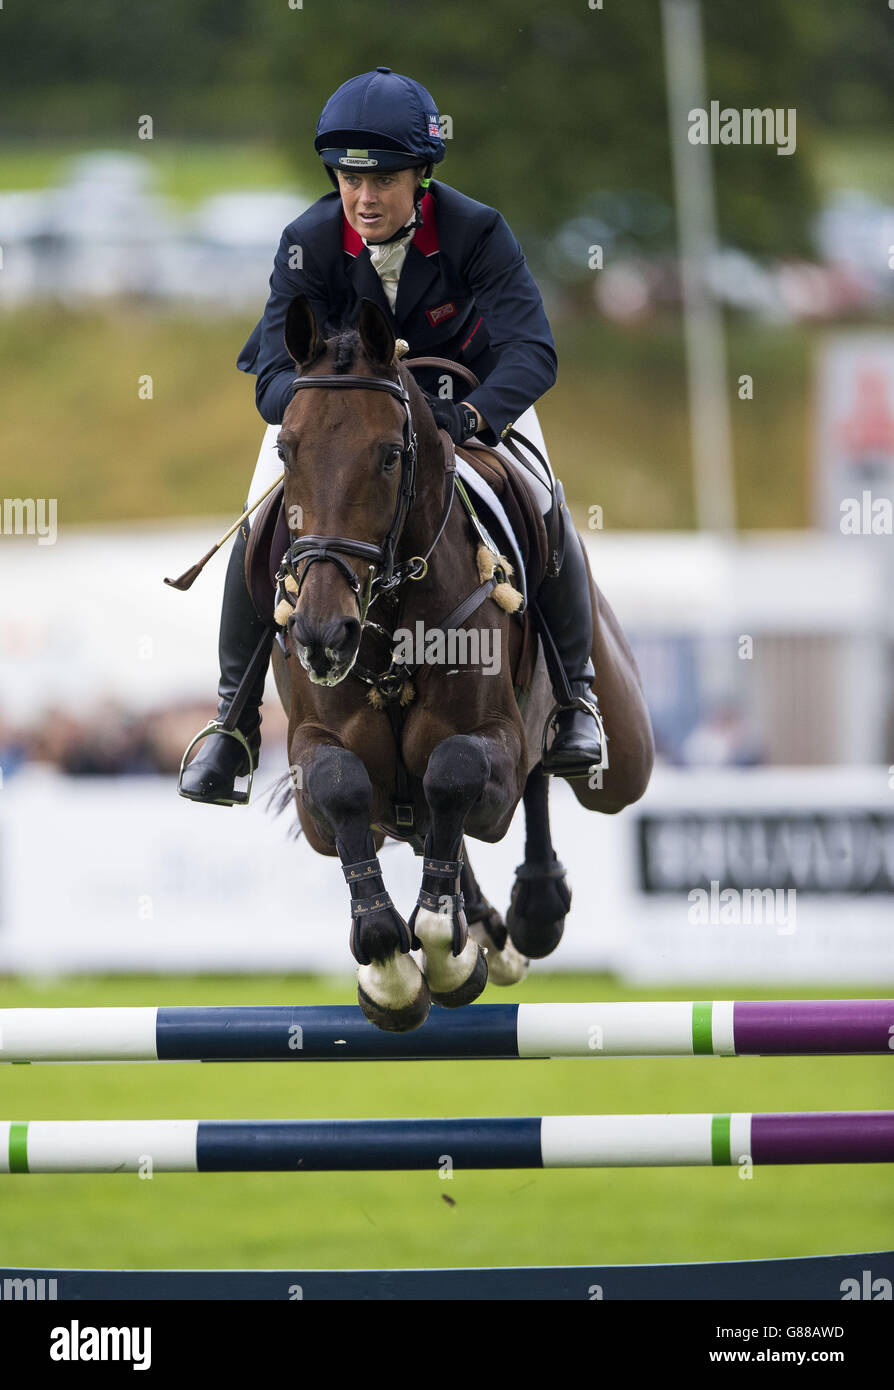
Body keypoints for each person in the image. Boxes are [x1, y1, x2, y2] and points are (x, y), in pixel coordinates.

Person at [180, 66, 603, 805]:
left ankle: (575, 701)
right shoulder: (308, 240)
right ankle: (233, 724)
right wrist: (323, 411)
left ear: (422, 178)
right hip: (345, 426)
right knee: (255, 521)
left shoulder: (478, 232)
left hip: (466, 406)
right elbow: (272, 377)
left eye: (384, 182)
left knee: (542, 500)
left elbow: (532, 351)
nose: (364, 199)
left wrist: (473, 419)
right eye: (348, 180)